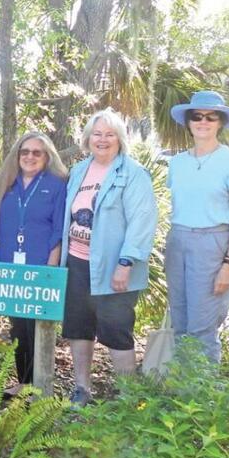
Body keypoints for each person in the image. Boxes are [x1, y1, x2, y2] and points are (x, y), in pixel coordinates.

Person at [60, 108, 157, 407]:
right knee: (78, 327)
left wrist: (125, 263)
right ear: (88, 139)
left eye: (109, 134)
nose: (102, 140)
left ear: (120, 139)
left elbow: (142, 221)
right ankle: (82, 389)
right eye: (97, 134)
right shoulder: (79, 171)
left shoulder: (133, 174)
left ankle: (129, 397)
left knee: (116, 330)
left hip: (115, 267)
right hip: (77, 262)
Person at [166, 91, 229, 362]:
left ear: (220, 122)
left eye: (211, 117)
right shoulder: (176, 163)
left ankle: (205, 398)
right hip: (177, 241)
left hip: (212, 244)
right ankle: (183, 397)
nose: (203, 122)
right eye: (197, 116)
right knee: (180, 324)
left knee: (202, 328)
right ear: (188, 122)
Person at [0, 132, 68, 395]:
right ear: (17, 155)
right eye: (25, 151)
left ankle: (40, 385)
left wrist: (51, 267)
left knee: (39, 327)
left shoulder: (56, 185)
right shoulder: (7, 185)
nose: (30, 157)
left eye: (37, 152)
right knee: (18, 327)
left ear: (47, 157)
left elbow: (59, 229)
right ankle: (23, 383)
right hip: (11, 265)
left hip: (41, 266)